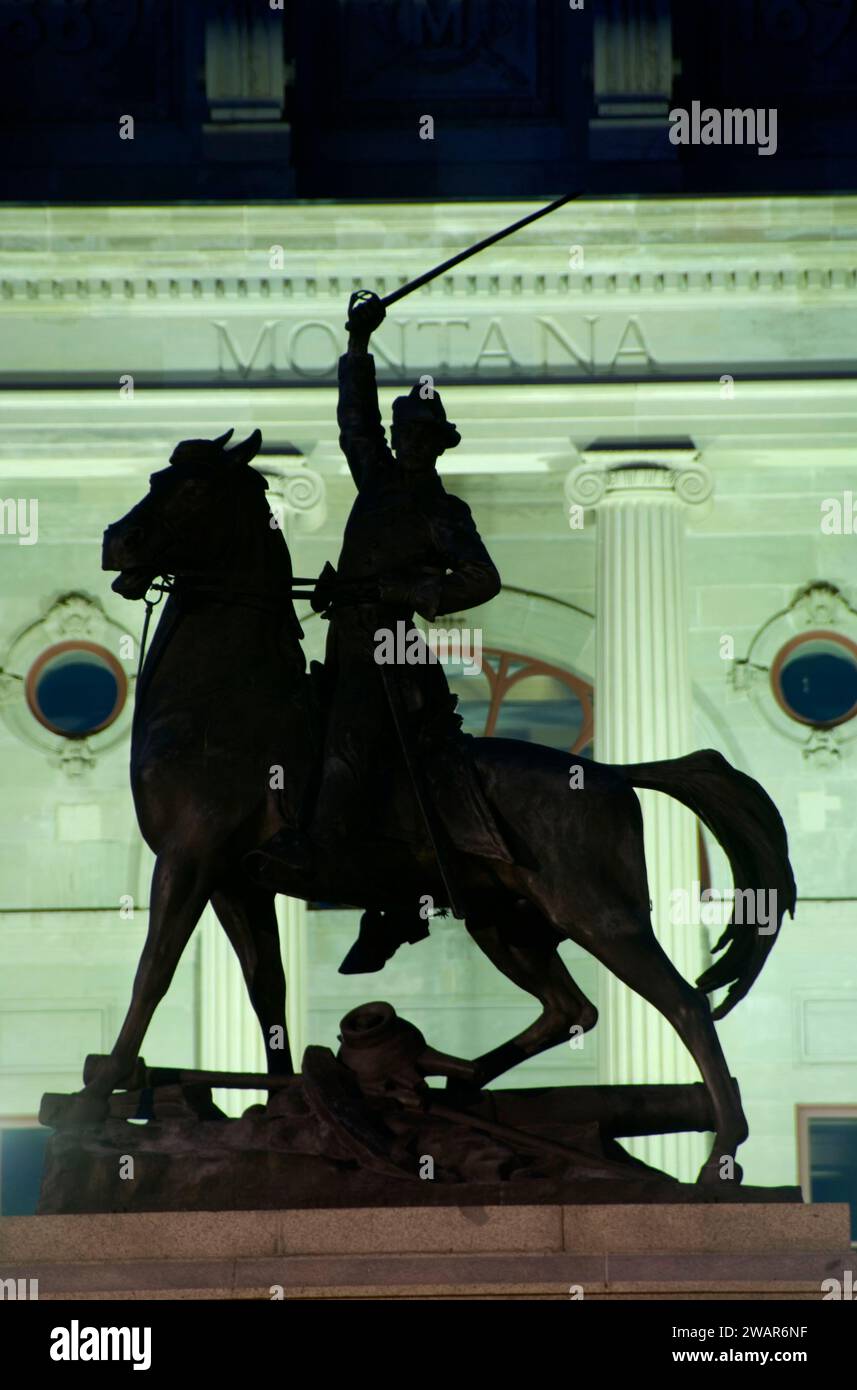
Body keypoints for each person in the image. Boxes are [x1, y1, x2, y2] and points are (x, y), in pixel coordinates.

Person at [250, 290, 511, 970]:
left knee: (348, 746)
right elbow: (354, 423)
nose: (405, 444)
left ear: (435, 445)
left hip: (391, 645)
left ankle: (339, 859)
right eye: (403, 435)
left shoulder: (440, 511)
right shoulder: (377, 480)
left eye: (419, 437)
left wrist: (415, 590)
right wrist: (358, 344)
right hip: (347, 635)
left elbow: (481, 579)